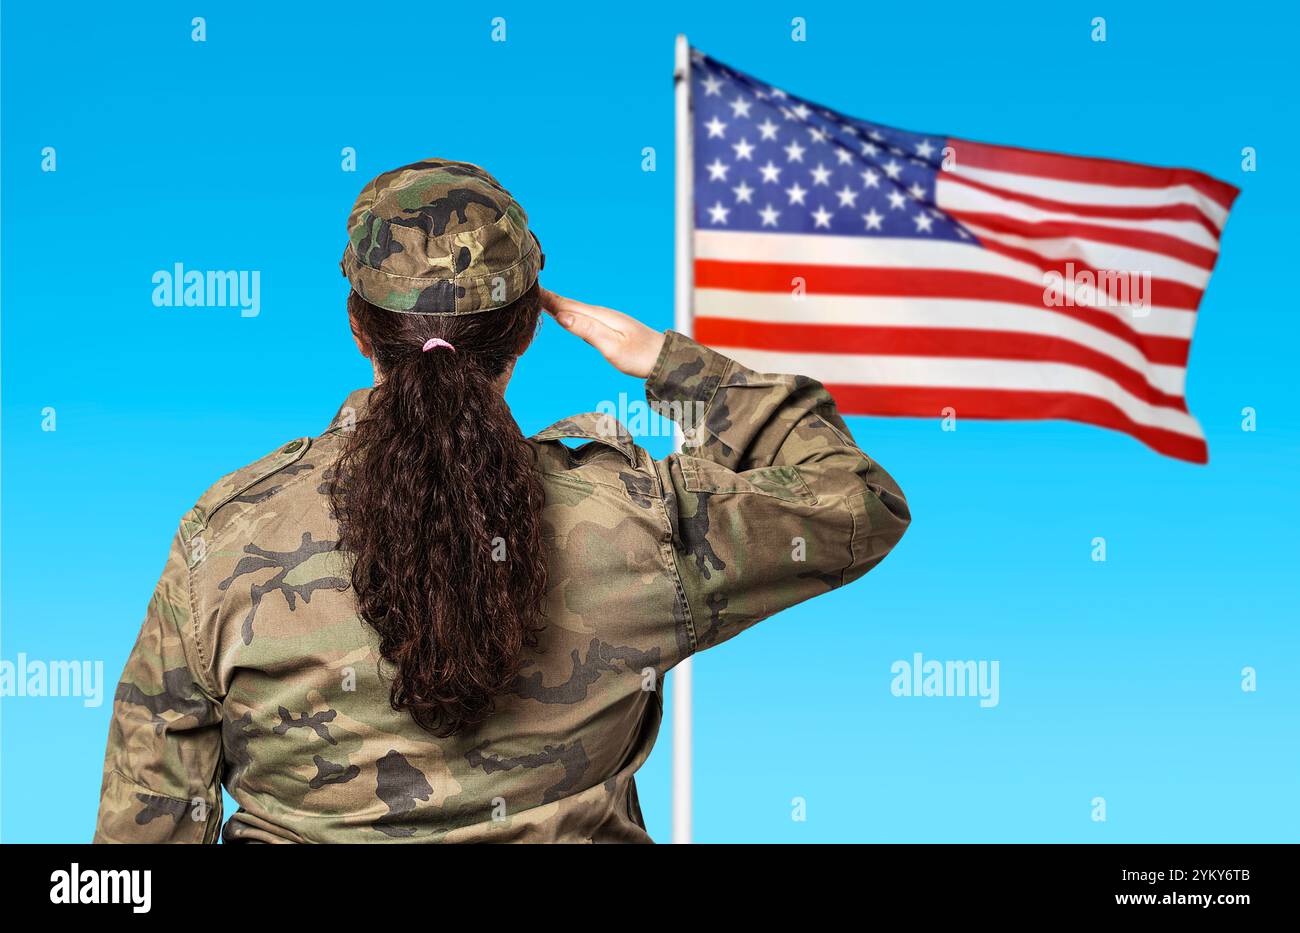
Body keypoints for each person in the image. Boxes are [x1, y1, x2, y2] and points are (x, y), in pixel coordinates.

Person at [93, 158, 910, 843]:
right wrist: (669, 362)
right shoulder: (638, 521)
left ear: (357, 326)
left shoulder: (227, 542)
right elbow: (858, 499)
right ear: (525, 331)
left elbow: (134, 855)